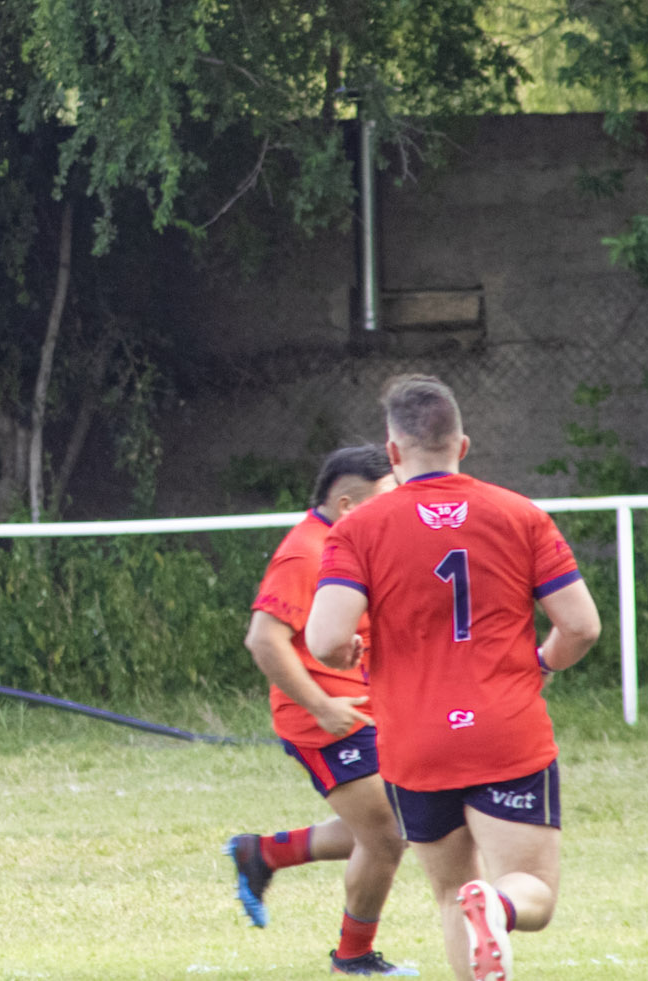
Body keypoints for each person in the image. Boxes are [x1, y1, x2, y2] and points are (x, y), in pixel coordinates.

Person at [307, 375, 601, 981]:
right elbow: (582, 627)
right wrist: (539, 664)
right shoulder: (520, 515)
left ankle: (481, 910)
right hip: (505, 727)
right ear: (463, 444)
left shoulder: (357, 529)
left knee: (451, 897)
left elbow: (325, 640)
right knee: (530, 894)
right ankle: (499, 907)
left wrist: (350, 654)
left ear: (392, 454)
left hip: (415, 738)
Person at [226, 444, 416, 977]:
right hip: (326, 723)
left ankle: (263, 853)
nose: (396, 508)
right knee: (386, 838)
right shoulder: (306, 552)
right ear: (350, 503)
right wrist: (322, 705)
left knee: (386, 824)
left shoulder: (350, 543)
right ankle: (353, 958)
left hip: (361, 711)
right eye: (387, 498)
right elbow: (264, 640)